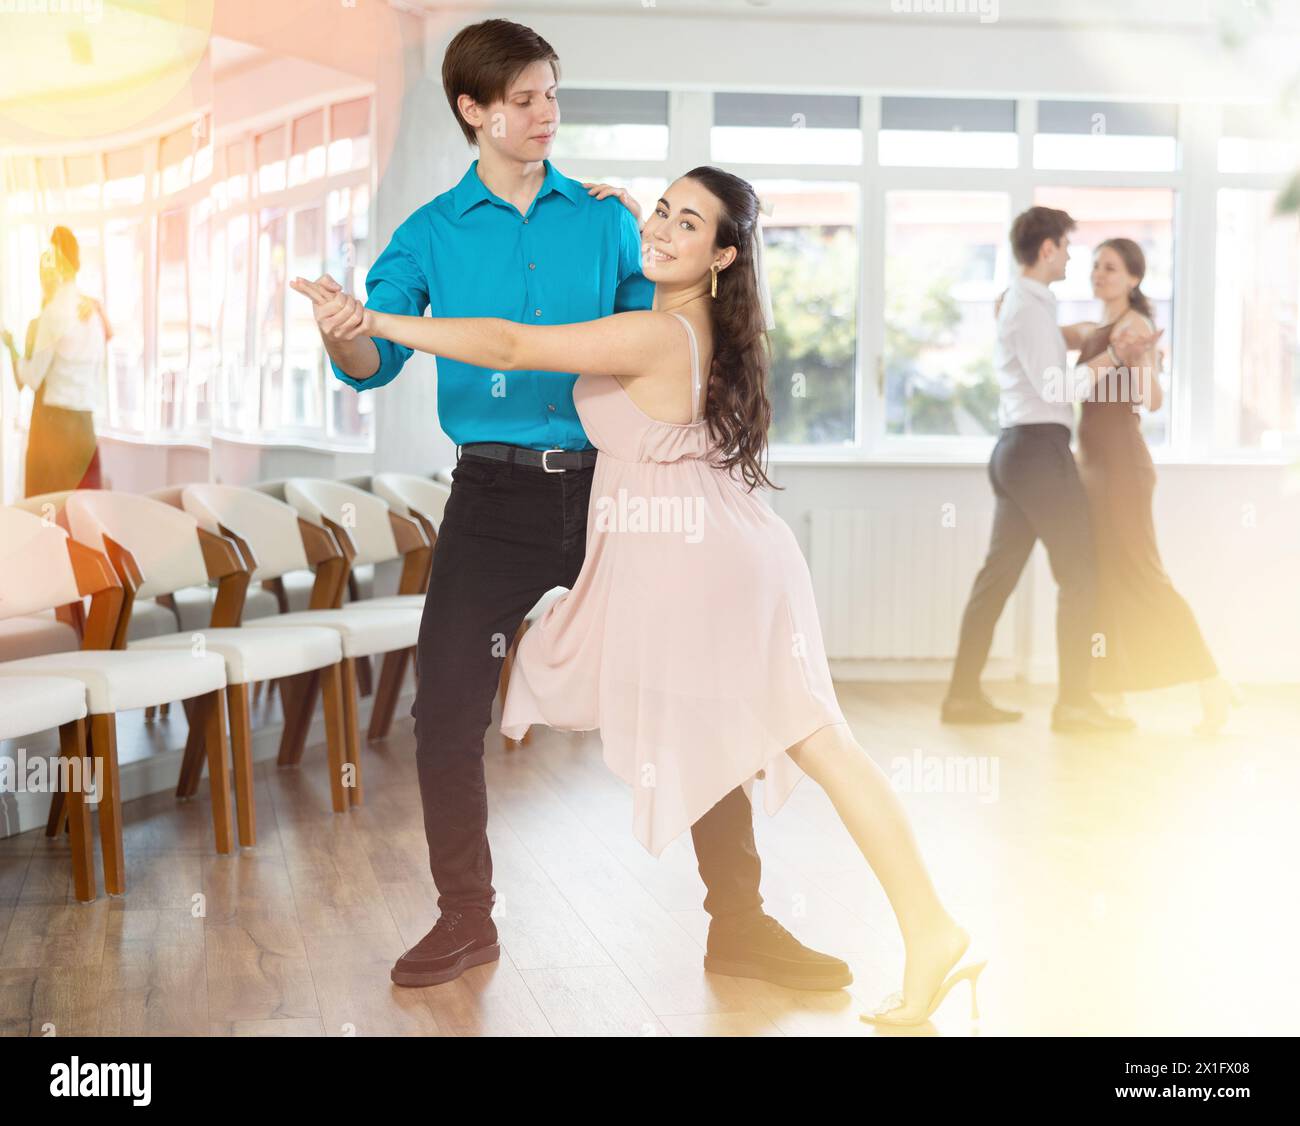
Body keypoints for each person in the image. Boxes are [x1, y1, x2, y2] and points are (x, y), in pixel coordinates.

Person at [295, 165, 985, 1028]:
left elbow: (512, 348)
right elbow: (652, 245)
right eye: (660, 209)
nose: (658, 229)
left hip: (710, 569)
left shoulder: (656, 336)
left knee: (814, 742)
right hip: (710, 553)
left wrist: (377, 321)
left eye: (686, 224)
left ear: (724, 255)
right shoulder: (684, 318)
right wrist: (640, 215)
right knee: (799, 739)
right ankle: (920, 932)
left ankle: (926, 930)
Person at [300, 18, 849, 994]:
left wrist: (651, 214)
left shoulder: (603, 219)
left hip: (618, 492)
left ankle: (742, 925)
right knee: (447, 706)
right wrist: (347, 328)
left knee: (698, 693)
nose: (547, 113)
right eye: (524, 98)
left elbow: (679, 325)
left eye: (553, 93)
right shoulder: (427, 232)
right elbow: (371, 361)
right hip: (493, 494)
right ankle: (466, 918)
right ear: (473, 110)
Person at [940, 207, 1159, 734]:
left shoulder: (1029, 303)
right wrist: (1113, 354)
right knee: (1082, 575)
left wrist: (1097, 338)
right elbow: (1057, 389)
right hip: (1038, 454)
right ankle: (1075, 705)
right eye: (1065, 247)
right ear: (1046, 249)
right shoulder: (1027, 306)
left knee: (997, 579)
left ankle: (961, 697)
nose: (1070, 258)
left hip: (1019, 452)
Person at [1073, 238, 1235, 733]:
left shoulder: (1134, 326)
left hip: (1124, 467)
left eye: (1111, 268)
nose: (1100, 274)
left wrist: (1136, 359)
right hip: (1096, 467)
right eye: (1096, 266)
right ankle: (1114, 694)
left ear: (1134, 279)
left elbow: (1152, 399)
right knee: (1108, 577)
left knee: (1143, 574)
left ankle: (1212, 684)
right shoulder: (1096, 326)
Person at [2, 226, 110, 497]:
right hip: (86, 429)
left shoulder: (53, 314)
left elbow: (30, 378)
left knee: (47, 517)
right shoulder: (93, 312)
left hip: (55, 429)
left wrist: (12, 347)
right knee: (82, 516)